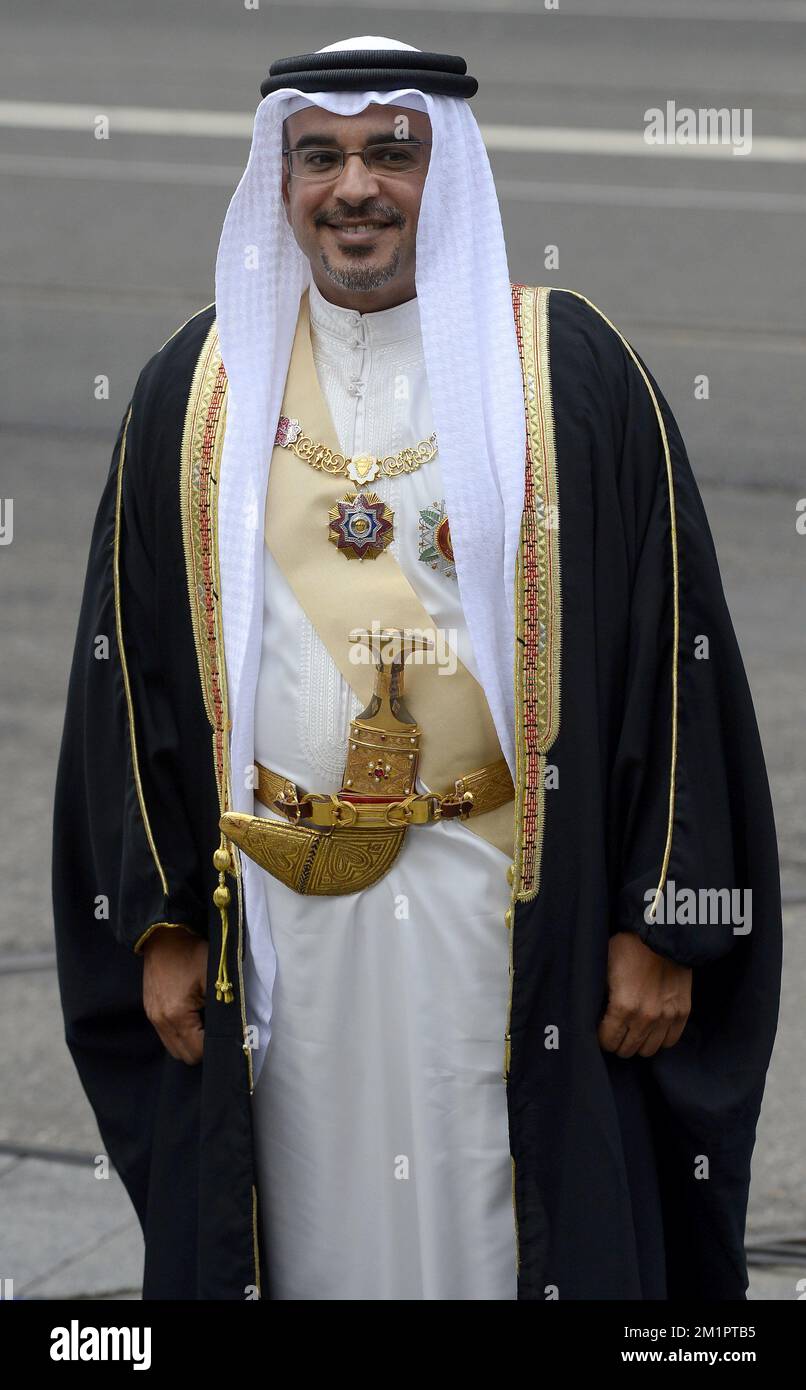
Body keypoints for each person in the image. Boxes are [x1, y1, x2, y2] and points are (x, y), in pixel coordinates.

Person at [52, 36, 782, 1301]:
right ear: (281, 180)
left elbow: (676, 656)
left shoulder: (566, 371)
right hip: (280, 910)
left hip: (502, 907)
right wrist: (157, 922)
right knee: (302, 1214)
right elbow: (128, 683)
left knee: (498, 1207)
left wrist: (666, 920)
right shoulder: (195, 389)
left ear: (447, 173)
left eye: (391, 154)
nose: (354, 188)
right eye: (320, 157)